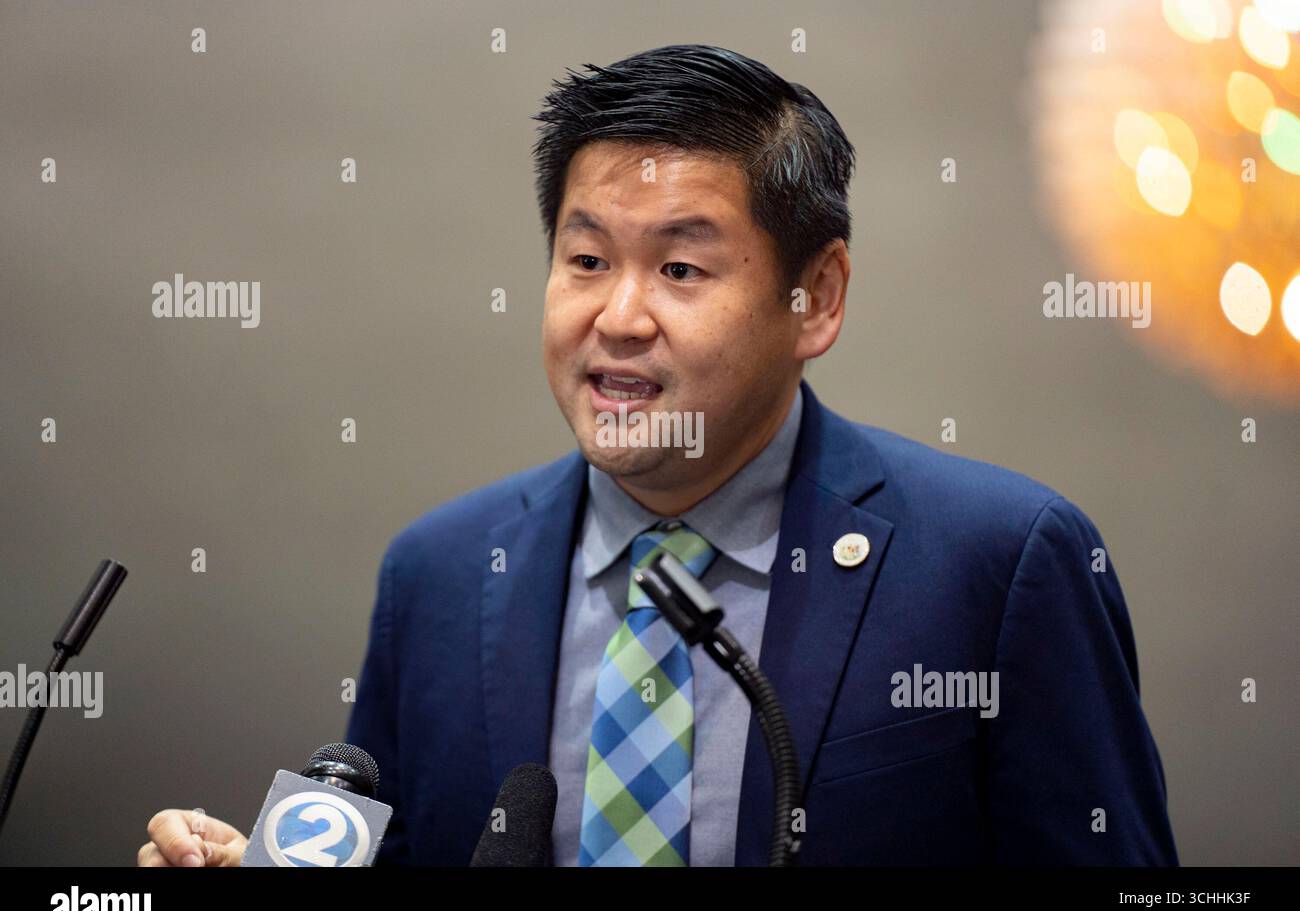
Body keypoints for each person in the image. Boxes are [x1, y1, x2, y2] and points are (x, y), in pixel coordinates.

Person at [139, 43, 1178, 868]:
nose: (618, 315)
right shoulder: (441, 573)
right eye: (585, 259)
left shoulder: (996, 564)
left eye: (680, 267)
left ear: (813, 297)